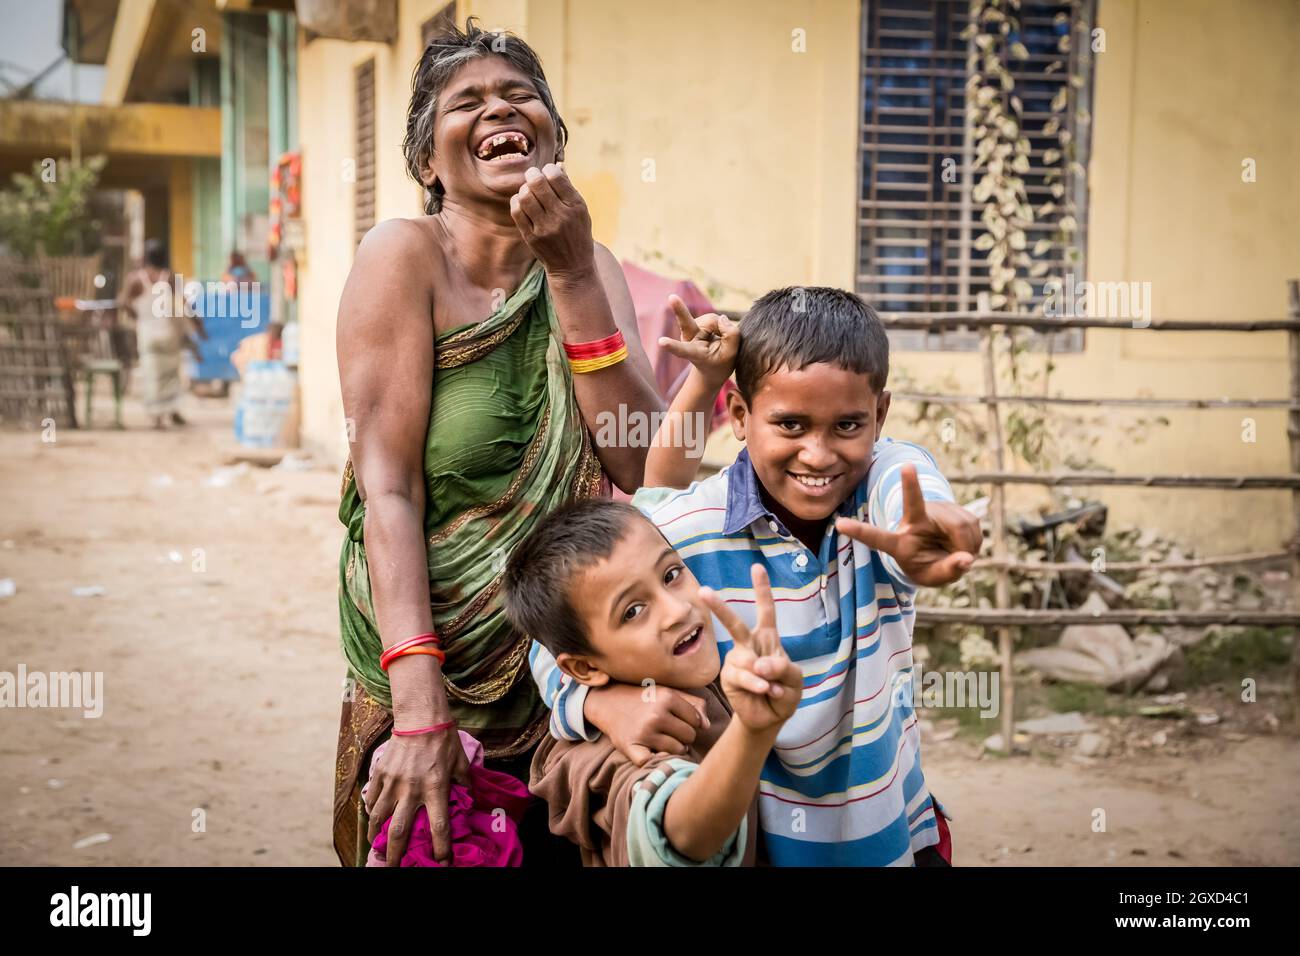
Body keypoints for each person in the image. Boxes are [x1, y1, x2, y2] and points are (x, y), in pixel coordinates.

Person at [333, 18, 663, 867]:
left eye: (520, 96)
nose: (499, 110)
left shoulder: (596, 267)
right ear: (427, 162)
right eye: (466, 101)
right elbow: (390, 491)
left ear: (551, 133)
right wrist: (419, 708)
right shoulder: (402, 258)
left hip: (569, 667)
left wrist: (574, 273)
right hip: (431, 671)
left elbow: (638, 460)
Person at [532, 287, 982, 865]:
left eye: (848, 425)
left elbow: (911, 482)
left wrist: (936, 532)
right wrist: (601, 705)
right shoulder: (683, 536)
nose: (818, 455)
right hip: (765, 845)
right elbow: (559, 632)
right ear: (740, 415)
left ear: (880, 415)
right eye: (791, 425)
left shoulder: (884, 501)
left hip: (891, 835)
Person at [505, 499, 801, 866]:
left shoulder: (680, 674)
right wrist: (752, 731)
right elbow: (678, 834)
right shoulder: (610, 753)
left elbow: (661, 480)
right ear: (583, 667)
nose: (677, 610)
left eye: (671, 575)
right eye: (633, 611)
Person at [119, 240, 197, 429]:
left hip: (147, 333)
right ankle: (171, 411)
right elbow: (184, 303)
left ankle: (155, 416)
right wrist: (197, 326)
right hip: (168, 333)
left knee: (152, 374)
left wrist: (137, 315)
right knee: (171, 374)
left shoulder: (135, 279)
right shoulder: (169, 277)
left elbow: (123, 302)